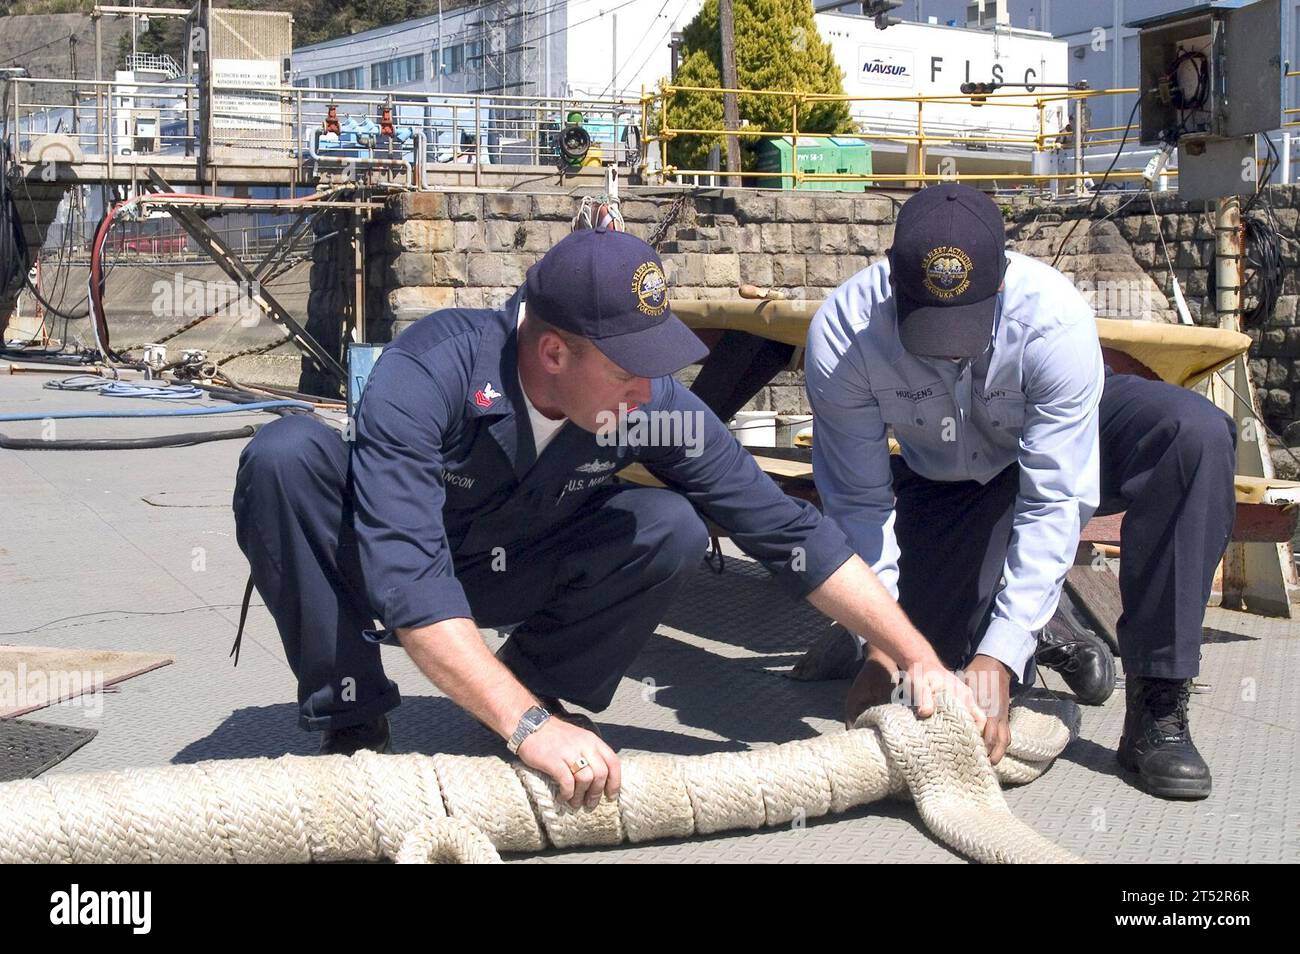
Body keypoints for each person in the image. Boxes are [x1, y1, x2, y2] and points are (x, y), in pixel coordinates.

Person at [233, 227, 985, 810]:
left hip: (511, 564)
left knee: (672, 523)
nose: (648, 391)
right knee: (285, 456)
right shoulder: (430, 373)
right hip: (385, 572)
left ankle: (537, 678)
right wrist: (526, 732)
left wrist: (917, 657)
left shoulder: (650, 406)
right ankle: (354, 711)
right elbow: (408, 582)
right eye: (629, 370)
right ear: (553, 351)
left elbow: (787, 534)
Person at [805, 183, 1236, 800]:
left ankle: (1157, 702)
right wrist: (880, 646)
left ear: (1002, 282)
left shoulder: (1055, 319)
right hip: (948, 483)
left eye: (966, 329)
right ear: (892, 284)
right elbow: (859, 503)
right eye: (930, 332)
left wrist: (1000, 658)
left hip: (1054, 445)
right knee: (930, 663)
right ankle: (1051, 626)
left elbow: (1054, 498)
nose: (950, 355)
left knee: (1191, 436)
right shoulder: (843, 336)